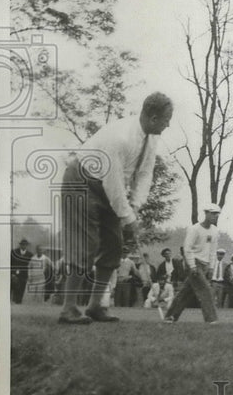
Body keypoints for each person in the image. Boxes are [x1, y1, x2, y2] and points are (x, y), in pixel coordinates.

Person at [58, 92, 173, 324]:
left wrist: (135, 207)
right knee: (86, 245)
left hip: (107, 189)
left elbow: (145, 174)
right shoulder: (120, 137)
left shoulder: (151, 138)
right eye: (166, 120)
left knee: (114, 245)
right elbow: (114, 182)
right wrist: (127, 217)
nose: (168, 124)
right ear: (153, 118)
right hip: (82, 182)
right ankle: (68, 309)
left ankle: (95, 306)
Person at [163, 204, 221, 324]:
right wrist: (192, 266)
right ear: (206, 213)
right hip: (194, 263)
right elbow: (187, 248)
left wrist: (211, 267)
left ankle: (170, 316)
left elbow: (212, 251)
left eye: (217, 214)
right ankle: (211, 319)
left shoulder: (215, 231)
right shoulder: (194, 229)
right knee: (206, 290)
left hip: (205, 265)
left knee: (186, 292)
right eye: (213, 213)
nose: (215, 216)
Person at [10, 238, 32, 304]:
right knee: (14, 286)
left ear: (27, 245)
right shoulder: (14, 252)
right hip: (15, 273)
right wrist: (12, 273)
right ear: (20, 245)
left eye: (25, 245)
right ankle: (13, 300)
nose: (23, 246)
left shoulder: (30, 254)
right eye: (22, 244)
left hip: (24, 274)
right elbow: (11, 263)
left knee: (22, 286)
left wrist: (29, 275)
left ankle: (19, 301)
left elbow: (30, 265)